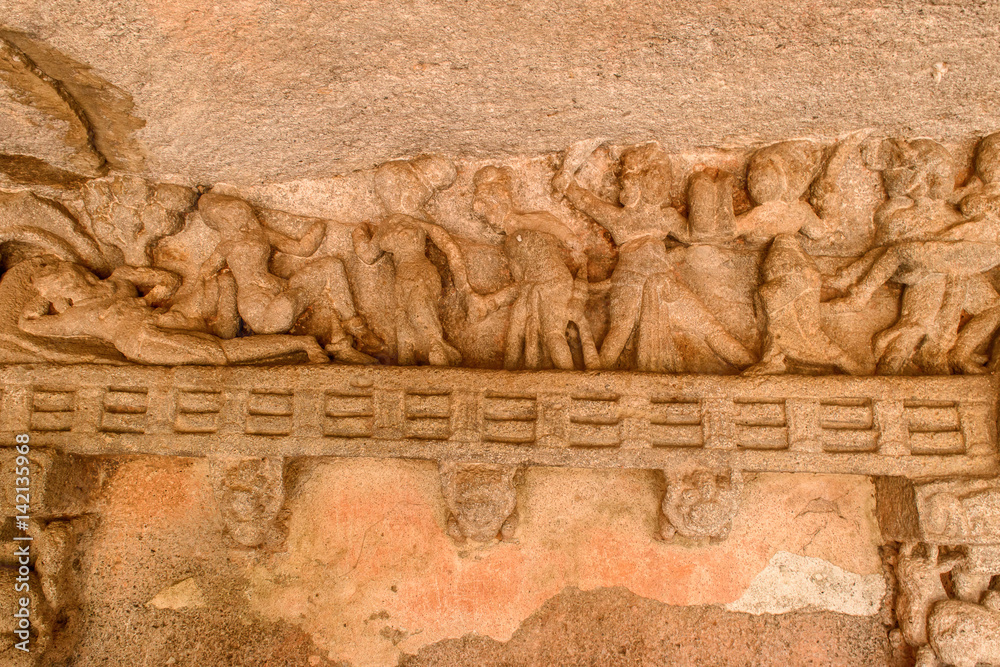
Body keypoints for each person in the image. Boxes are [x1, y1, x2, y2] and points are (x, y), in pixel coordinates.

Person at [554, 142, 754, 372]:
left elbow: (694, 234)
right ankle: (598, 377)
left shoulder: (663, 216)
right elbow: (586, 202)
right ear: (640, 181)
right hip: (631, 280)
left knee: (706, 323)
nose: (663, 185)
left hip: (662, 279)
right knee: (621, 330)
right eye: (659, 177)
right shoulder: (621, 218)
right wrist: (567, 185)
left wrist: (706, 200)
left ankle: (748, 364)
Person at [19, 261, 329, 365]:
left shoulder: (111, 284)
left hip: (153, 323)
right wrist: (145, 302)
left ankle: (301, 343)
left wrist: (146, 302)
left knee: (219, 341)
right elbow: (27, 325)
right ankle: (302, 343)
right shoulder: (113, 284)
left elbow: (169, 281)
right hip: (143, 337)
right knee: (217, 354)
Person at [198, 192, 376, 364]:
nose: (244, 223)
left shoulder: (261, 235)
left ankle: (354, 328)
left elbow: (302, 249)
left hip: (282, 289)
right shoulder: (226, 246)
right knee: (288, 302)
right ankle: (336, 342)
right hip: (260, 310)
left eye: (245, 216)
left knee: (332, 266)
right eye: (235, 219)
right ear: (224, 222)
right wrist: (226, 285)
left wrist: (318, 228)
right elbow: (206, 271)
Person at [469, 165, 599, 370]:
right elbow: (520, 282)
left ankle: (568, 377)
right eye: (485, 213)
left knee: (552, 333)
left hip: (553, 281)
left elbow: (548, 222)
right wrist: (492, 301)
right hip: (530, 287)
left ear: (501, 200)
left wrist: (569, 237)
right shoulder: (508, 242)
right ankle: (508, 380)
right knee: (515, 329)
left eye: (489, 208)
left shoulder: (522, 220)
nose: (488, 217)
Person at [353, 155, 472, 366]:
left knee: (420, 309)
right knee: (402, 318)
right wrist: (359, 236)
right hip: (401, 278)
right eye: (384, 190)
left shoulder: (418, 221)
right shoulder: (386, 226)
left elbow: (448, 246)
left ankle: (439, 349)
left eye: (393, 187)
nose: (388, 195)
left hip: (421, 272)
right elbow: (368, 255)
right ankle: (407, 361)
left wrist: (465, 288)